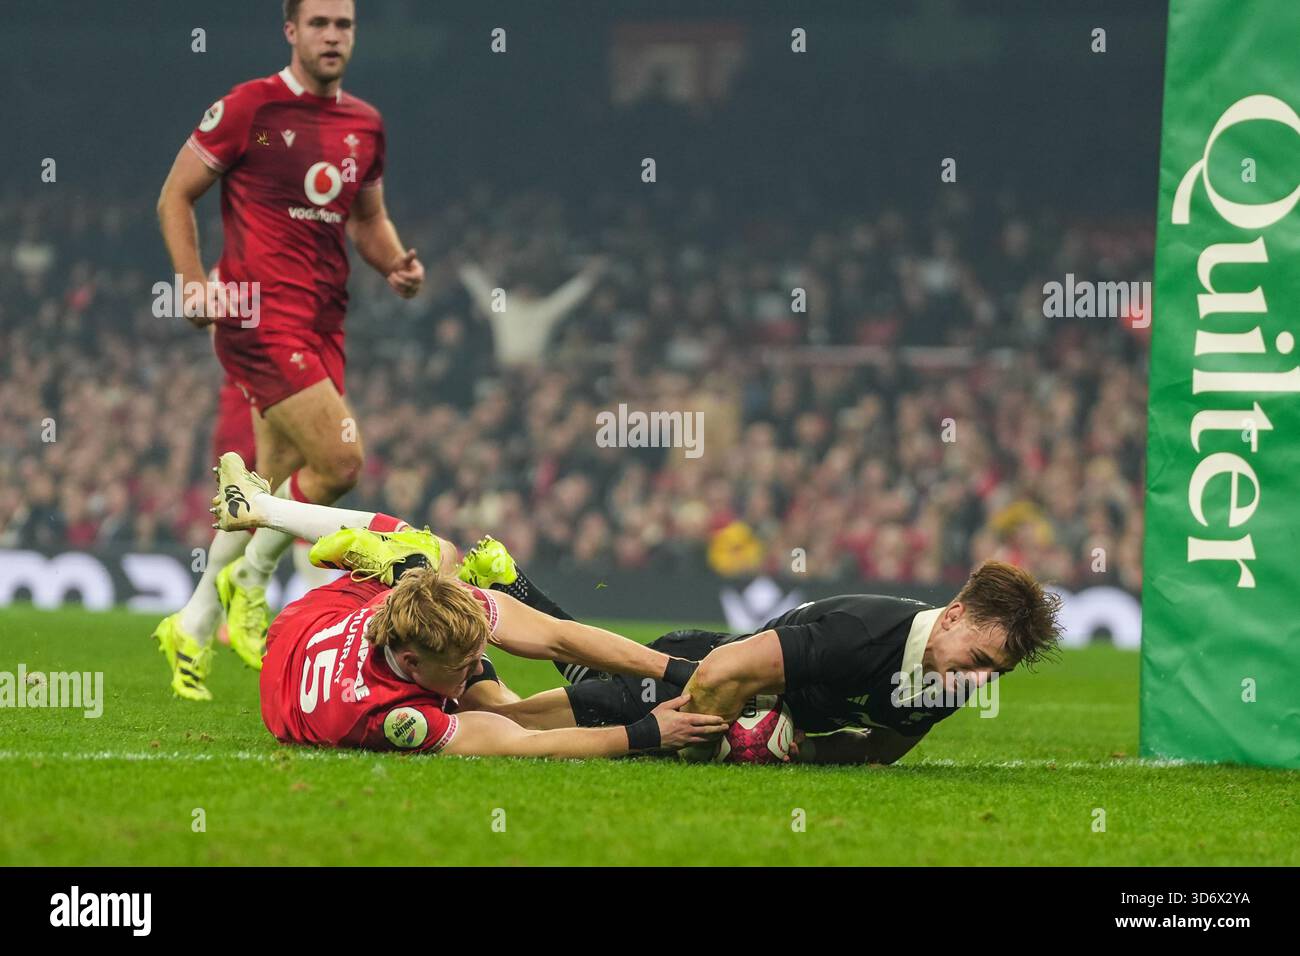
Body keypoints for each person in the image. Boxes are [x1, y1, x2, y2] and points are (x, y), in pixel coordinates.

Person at [152, 0, 426, 700]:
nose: (333, 36)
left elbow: (368, 218)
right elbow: (175, 196)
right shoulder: (251, 108)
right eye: (319, 24)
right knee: (340, 461)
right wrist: (191, 283)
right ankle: (251, 578)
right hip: (257, 316)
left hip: (323, 320)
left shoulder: (365, 123)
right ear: (291, 31)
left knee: (266, 485)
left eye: (344, 25)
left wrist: (394, 264)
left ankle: (193, 622)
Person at [208, 453, 723, 757]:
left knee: (440, 556)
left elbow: (560, 638)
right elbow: (521, 743)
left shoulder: (438, 619)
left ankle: (392, 559)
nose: (475, 666)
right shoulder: (394, 717)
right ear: (412, 663)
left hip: (326, 620)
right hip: (293, 650)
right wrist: (648, 733)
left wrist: (681, 670)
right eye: (463, 665)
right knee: (491, 699)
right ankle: (273, 512)